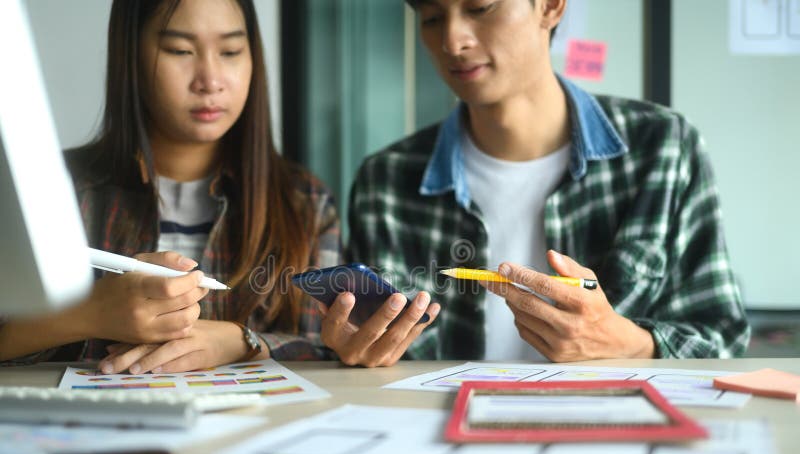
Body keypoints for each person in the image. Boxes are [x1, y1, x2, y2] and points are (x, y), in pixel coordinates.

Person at [345, 0, 751, 364]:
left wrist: (628, 342)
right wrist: (348, 350)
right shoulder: (386, 181)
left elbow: (722, 339)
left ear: (552, 7)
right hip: (436, 435)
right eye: (431, 17)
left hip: (610, 436)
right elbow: (367, 352)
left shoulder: (663, 146)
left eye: (480, 8)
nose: (452, 40)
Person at [0, 0, 342, 372]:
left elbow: (325, 347)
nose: (210, 81)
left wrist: (242, 341)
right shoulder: (45, 191)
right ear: (130, 54)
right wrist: (89, 312)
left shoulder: (304, 202)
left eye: (230, 51)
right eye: (180, 50)